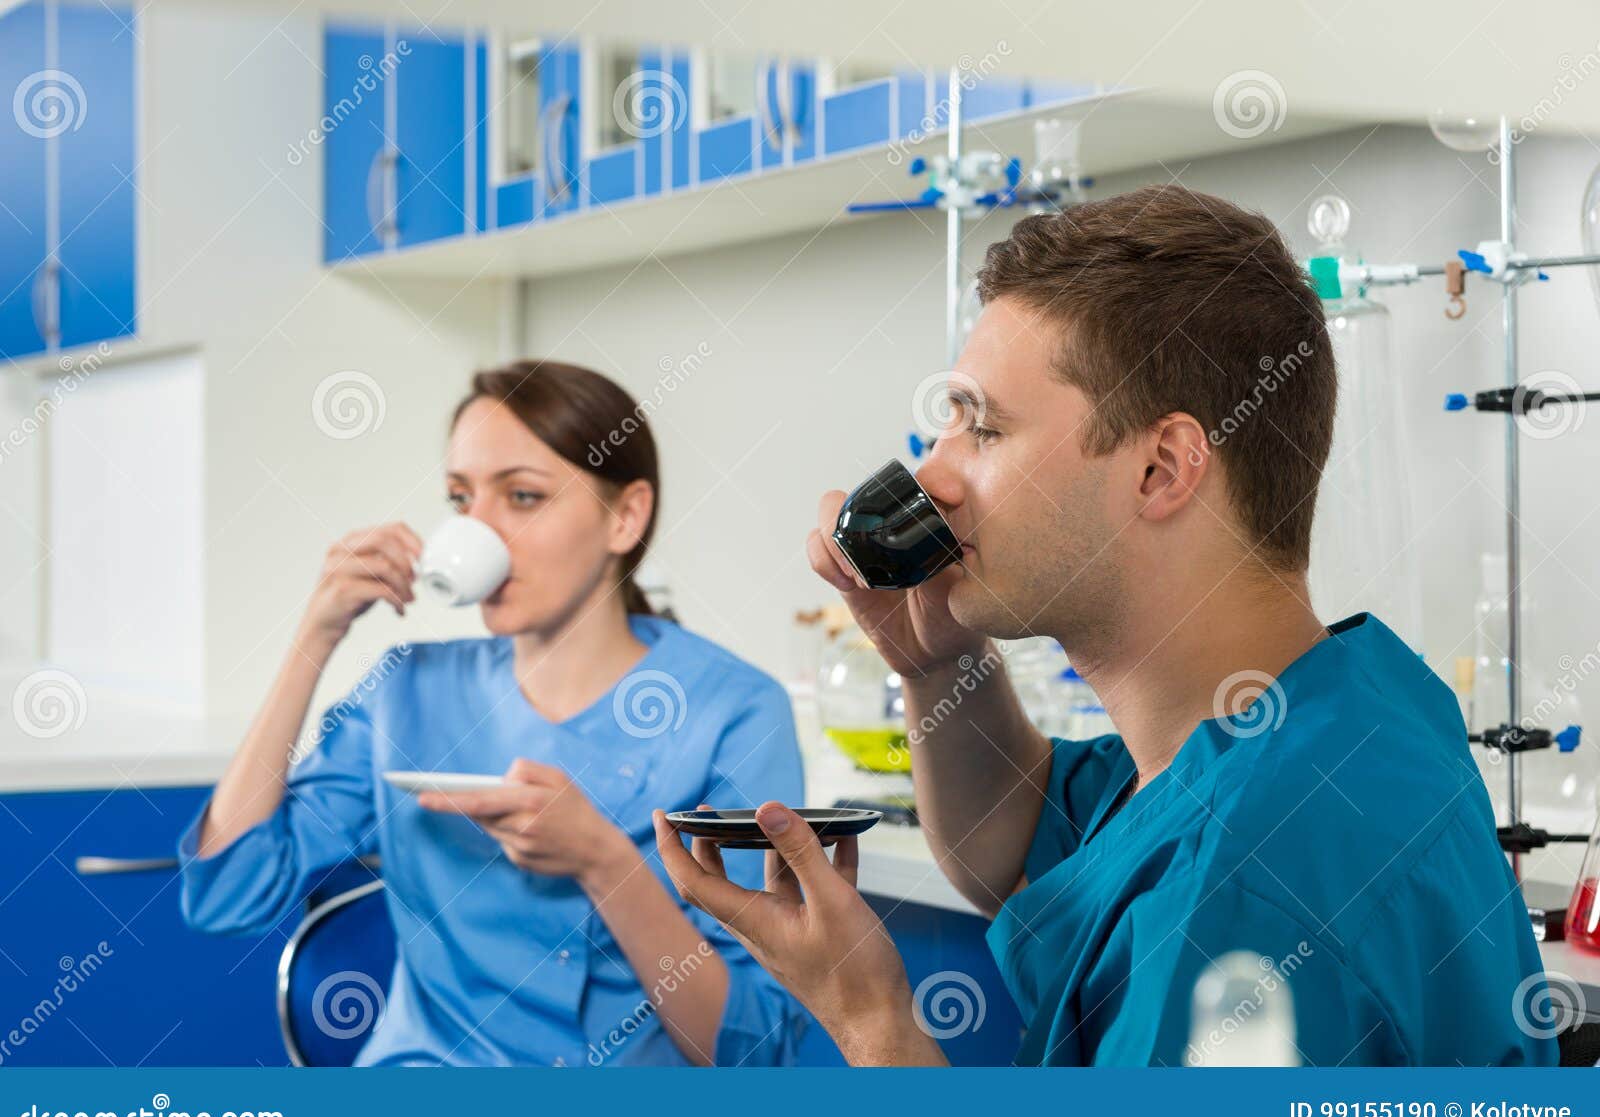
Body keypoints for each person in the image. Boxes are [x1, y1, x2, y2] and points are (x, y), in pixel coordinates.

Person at [653, 185, 1557, 1066]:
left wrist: (868, 1018)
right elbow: (1019, 851)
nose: (932, 477)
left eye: (983, 430)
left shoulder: (1243, 899)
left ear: (1162, 469)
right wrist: (936, 665)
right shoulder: (1335, 710)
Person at [180, 361, 805, 1067]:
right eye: (460, 499)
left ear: (624, 517)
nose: (479, 533)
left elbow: (753, 1054)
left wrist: (604, 864)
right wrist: (314, 639)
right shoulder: (406, 690)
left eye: (523, 496)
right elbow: (227, 896)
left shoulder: (734, 711)